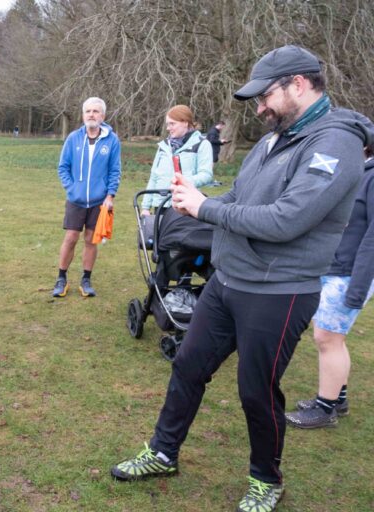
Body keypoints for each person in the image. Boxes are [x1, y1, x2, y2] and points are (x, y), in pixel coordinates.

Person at [110, 45, 373, 512]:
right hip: (228, 279)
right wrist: (198, 200)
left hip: (279, 291)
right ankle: (163, 453)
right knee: (188, 366)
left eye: (265, 96)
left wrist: (206, 209)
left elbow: (287, 219)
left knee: (256, 390)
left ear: (298, 84)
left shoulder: (335, 144)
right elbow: (238, 196)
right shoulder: (275, 139)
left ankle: (266, 480)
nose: (259, 108)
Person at [286, 141, 374, 429]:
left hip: (349, 275)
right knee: (332, 338)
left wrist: (358, 288)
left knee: (328, 339)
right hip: (334, 268)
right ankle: (338, 398)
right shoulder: (359, 171)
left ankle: (325, 410)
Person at [51, 97, 121, 298]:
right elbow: (63, 167)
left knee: (91, 240)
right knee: (71, 237)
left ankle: (86, 279)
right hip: (76, 200)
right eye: (88, 111)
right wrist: (72, 188)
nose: (91, 114)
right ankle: (61, 278)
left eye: (95, 111)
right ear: (83, 115)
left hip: (99, 201)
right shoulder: (73, 138)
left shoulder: (112, 140)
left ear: (103, 116)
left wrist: (110, 195)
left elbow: (114, 170)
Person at [141, 105, 213, 216]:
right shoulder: (164, 146)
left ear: (185, 123)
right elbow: (154, 176)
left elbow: (206, 175)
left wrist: (183, 182)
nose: (168, 128)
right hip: (160, 205)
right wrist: (145, 207)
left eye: (172, 124)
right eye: (167, 124)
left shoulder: (202, 144)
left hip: (186, 204)